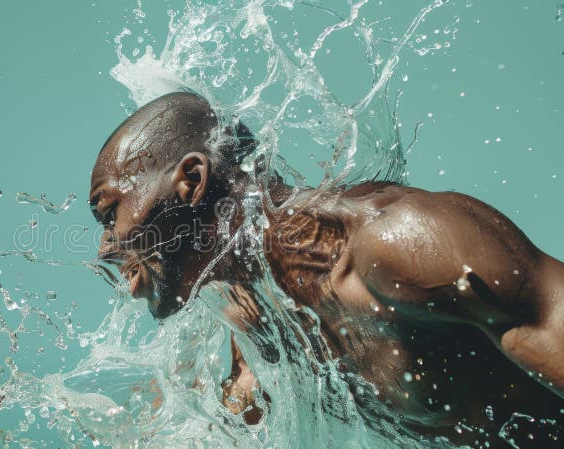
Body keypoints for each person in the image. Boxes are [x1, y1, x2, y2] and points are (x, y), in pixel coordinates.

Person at [89, 92, 564, 446]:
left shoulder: (395, 246)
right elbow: (210, 426)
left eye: (111, 214)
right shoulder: (254, 321)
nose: (106, 248)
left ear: (192, 180)